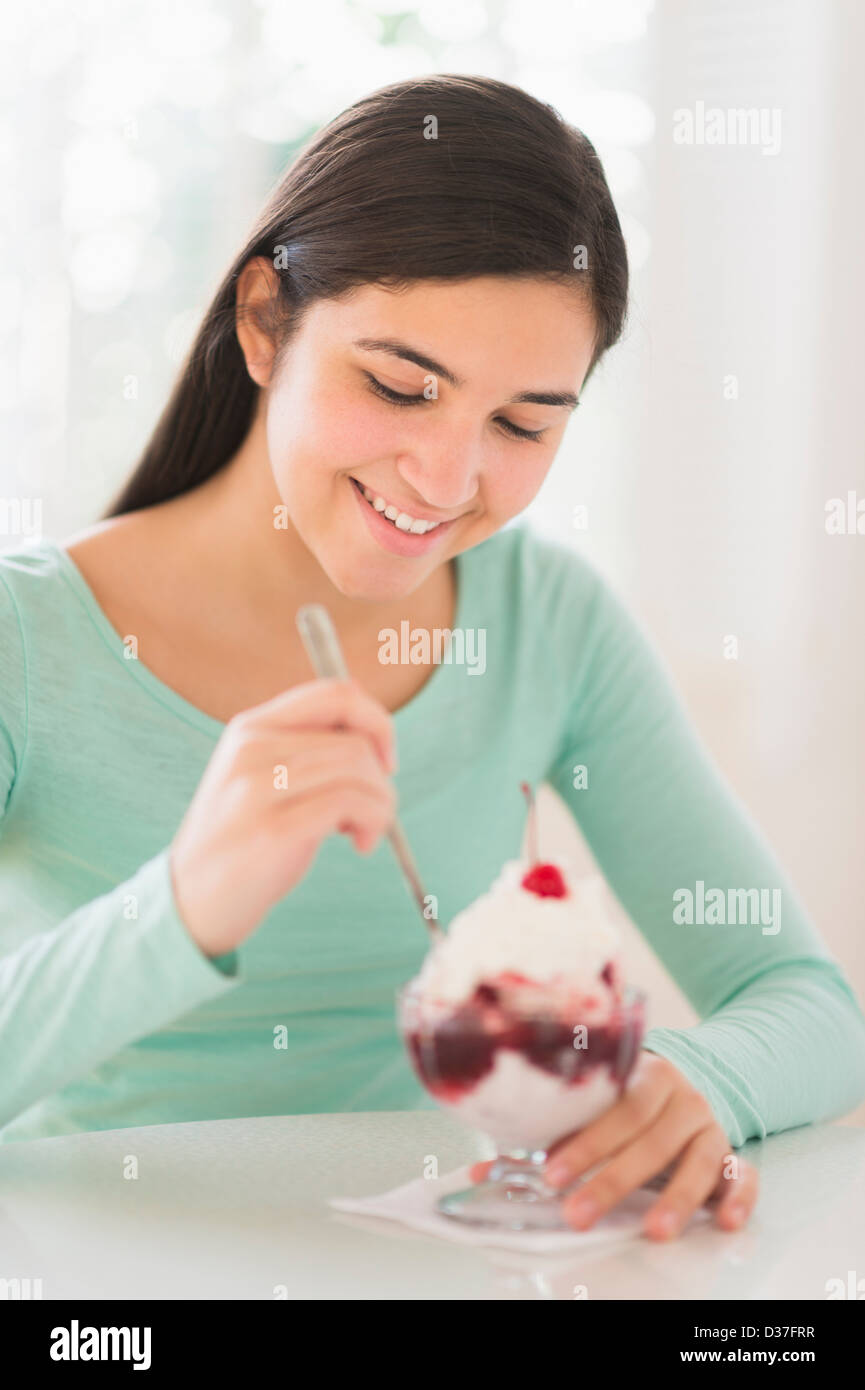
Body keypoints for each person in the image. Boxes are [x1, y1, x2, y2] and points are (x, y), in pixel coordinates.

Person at [1, 74, 863, 1243]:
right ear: (266, 321)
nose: (447, 481)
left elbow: (811, 1004)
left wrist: (693, 1083)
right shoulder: (28, 636)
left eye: (522, 424)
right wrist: (182, 907)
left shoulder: (546, 622)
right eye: (400, 386)